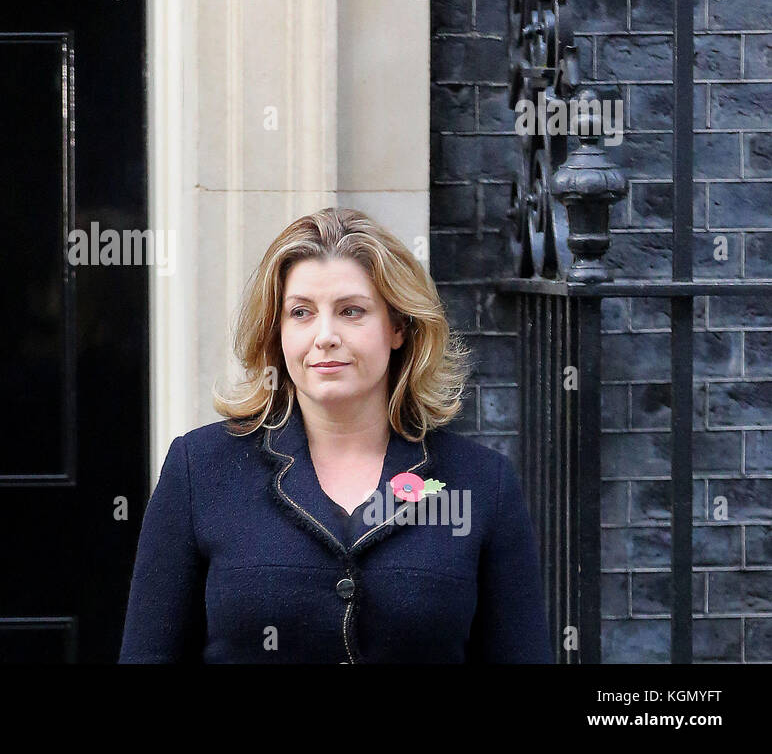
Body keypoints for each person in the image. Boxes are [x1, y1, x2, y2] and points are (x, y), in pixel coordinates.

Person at [118, 206, 552, 663]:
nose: (325, 336)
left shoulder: (482, 482)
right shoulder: (200, 467)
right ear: (277, 329)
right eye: (301, 312)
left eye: (351, 311)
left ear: (398, 327)